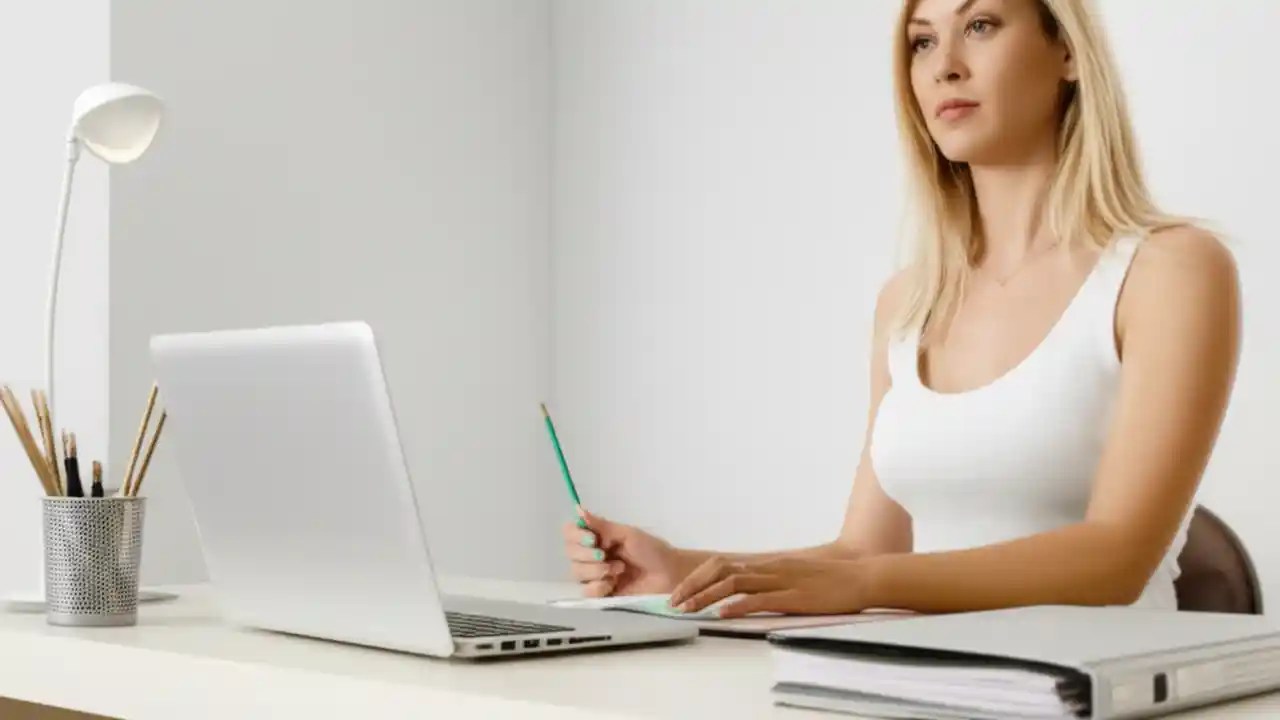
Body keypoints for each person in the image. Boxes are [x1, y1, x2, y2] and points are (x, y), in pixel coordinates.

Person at [560, 0, 1241, 618]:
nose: (944, 67)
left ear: (1067, 51)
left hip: (1090, 694)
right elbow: (862, 551)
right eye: (921, 42)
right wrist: (683, 571)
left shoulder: (1171, 270)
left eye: (979, 26)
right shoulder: (909, 302)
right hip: (915, 680)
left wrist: (871, 585)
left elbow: (1117, 559)